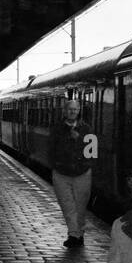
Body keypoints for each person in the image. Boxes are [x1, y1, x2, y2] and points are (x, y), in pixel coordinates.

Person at [49, 98, 93, 248]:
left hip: (82, 172)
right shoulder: (56, 128)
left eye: (75, 109)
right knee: (67, 205)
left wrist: (78, 139)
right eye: (70, 109)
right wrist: (56, 165)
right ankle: (74, 234)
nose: (72, 112)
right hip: (61, 172)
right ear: (65, 111)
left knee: (80, 206)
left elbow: (91, 151)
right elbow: (51, 149)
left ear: (79, 111)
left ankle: (79, 233)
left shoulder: (86, 129)